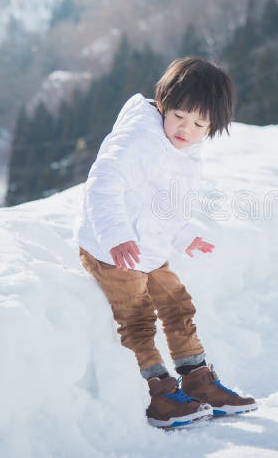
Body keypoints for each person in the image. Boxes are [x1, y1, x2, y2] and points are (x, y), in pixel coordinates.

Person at [74, 56, 257, 429]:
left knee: (178, 306)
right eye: (179, 117)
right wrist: (117, 236)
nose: (186, 130)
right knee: (139, 318)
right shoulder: (139, 139)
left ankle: (197, 381)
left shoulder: (186, 154)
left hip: (149, 249)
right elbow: (102, 183)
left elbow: (164, 206)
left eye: (199, 124)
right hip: (112, 250)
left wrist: (184, 236)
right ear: (162, 103)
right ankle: (156, 392)